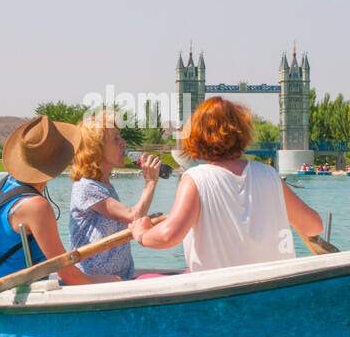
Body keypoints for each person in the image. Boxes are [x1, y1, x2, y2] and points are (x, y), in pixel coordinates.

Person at [130, 97, 323, 271]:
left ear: (196, 137)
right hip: (273, 292)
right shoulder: (270, 174)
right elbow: (314, 226)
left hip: (222, 298)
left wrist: (141, 234)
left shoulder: (195, 179)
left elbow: (168, 236)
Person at [0, 116, 120, 285]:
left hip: (3, 282)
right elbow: (68, 274)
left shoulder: (8, 186)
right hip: (14, 292)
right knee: (114, 280)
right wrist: (113, 283)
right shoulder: (36, 207)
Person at [69, 110, 162, 280]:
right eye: (115, 139)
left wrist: (145, 221)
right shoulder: (87, 187)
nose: (123, 143)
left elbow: (123, 223)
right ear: (96, 149)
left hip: (120, 277)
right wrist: (150, 182)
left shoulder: (104, 185)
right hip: (97, 282)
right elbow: (132, 217)